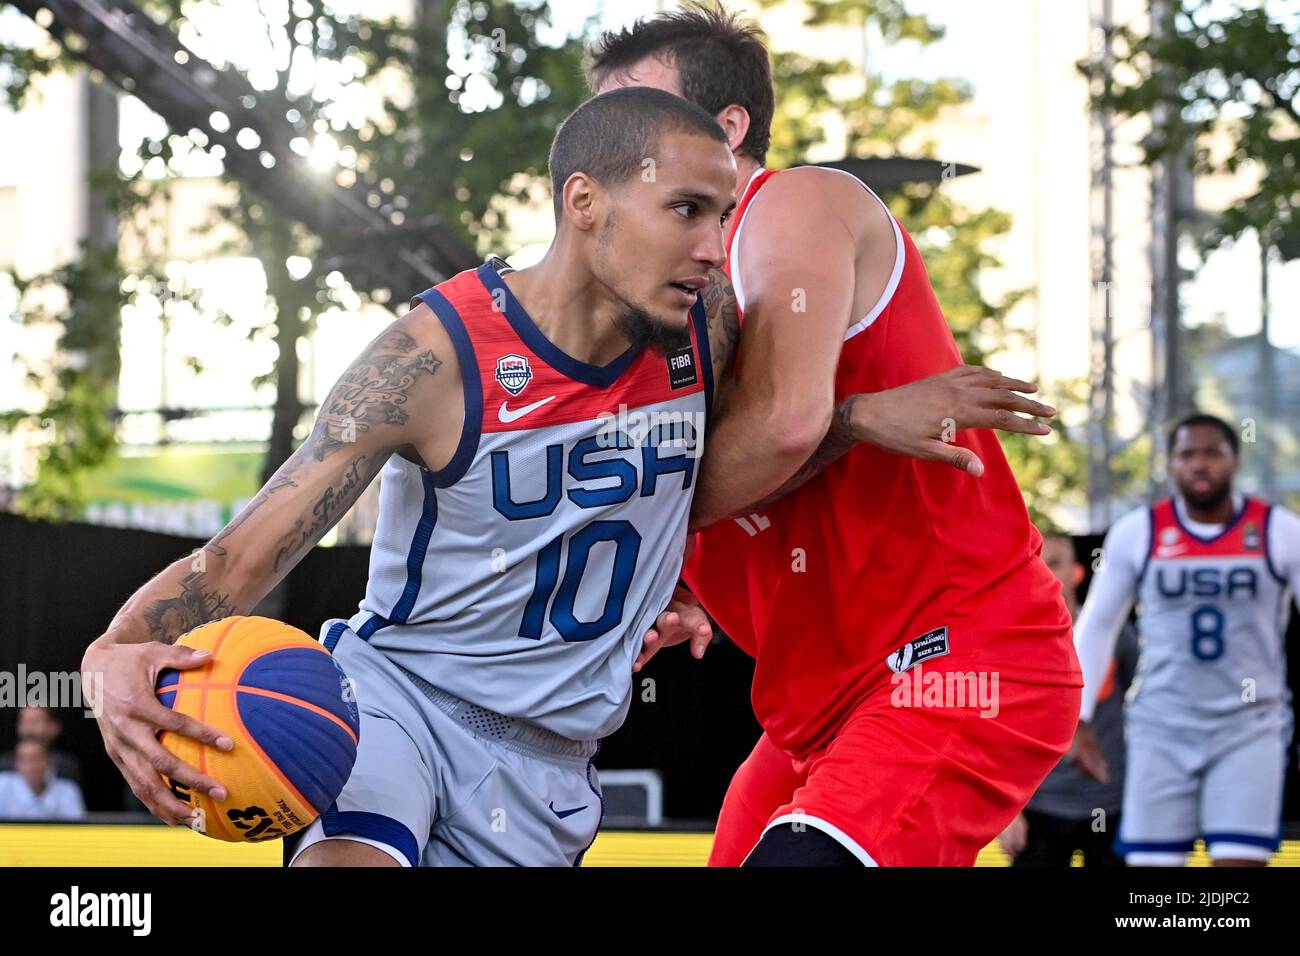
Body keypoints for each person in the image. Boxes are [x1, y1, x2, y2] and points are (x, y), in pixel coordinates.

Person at [81, 88, 1047, 867]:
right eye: (685, 210)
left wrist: (846, 432)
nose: (716, 246)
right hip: (401, 703)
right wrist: (108, 654)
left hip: (549, 764)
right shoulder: (433, 356)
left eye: (722, 214)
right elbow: (244, 555)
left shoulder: (701, 336)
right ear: (585, 202)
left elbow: (721, 477)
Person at [590, 3, 1082, 866]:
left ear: (728, 127)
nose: (606, 137)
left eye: (634, 110)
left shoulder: (795, 203)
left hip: (955, 661)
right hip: (814, 712)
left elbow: (783, 429)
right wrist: (684, 574)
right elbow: (737, 471)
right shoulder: (652, 285)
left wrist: (651, 523)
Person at [1070, 412, 1300, 866]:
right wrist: (1077, 717)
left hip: (1249, 725)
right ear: (1171, 464)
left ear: (1235, 461)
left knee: (1239, 862)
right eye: (1186, 454)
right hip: (1162, 725)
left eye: (1212, 453)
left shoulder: (1280, 530)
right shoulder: (1139, 532)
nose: (1199, 464)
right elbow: (1097, 626)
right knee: (1153, 868)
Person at [998, 533, 1138, 866]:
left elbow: (1144, 703)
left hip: (1108, 806)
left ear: (1077, 573)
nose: (1044, 572)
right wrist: (1008, 812)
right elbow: (998, 733)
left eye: (1054, 563)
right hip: (1039, 809)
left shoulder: (1117, 636)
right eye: (1034, 564)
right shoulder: (1010, 642)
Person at [0, 739, 85, 820]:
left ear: (49, 761)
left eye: (36, 759)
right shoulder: (2, 785)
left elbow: (78, 829)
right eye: (24, 759)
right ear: (16, 763)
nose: (31, 765)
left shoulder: (68, 790)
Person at [0, 706, 82, 785]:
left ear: (54, 727)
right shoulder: (4, 765)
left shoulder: (67, 768)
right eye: (24, 721)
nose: (28, 728)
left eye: (35, 721)